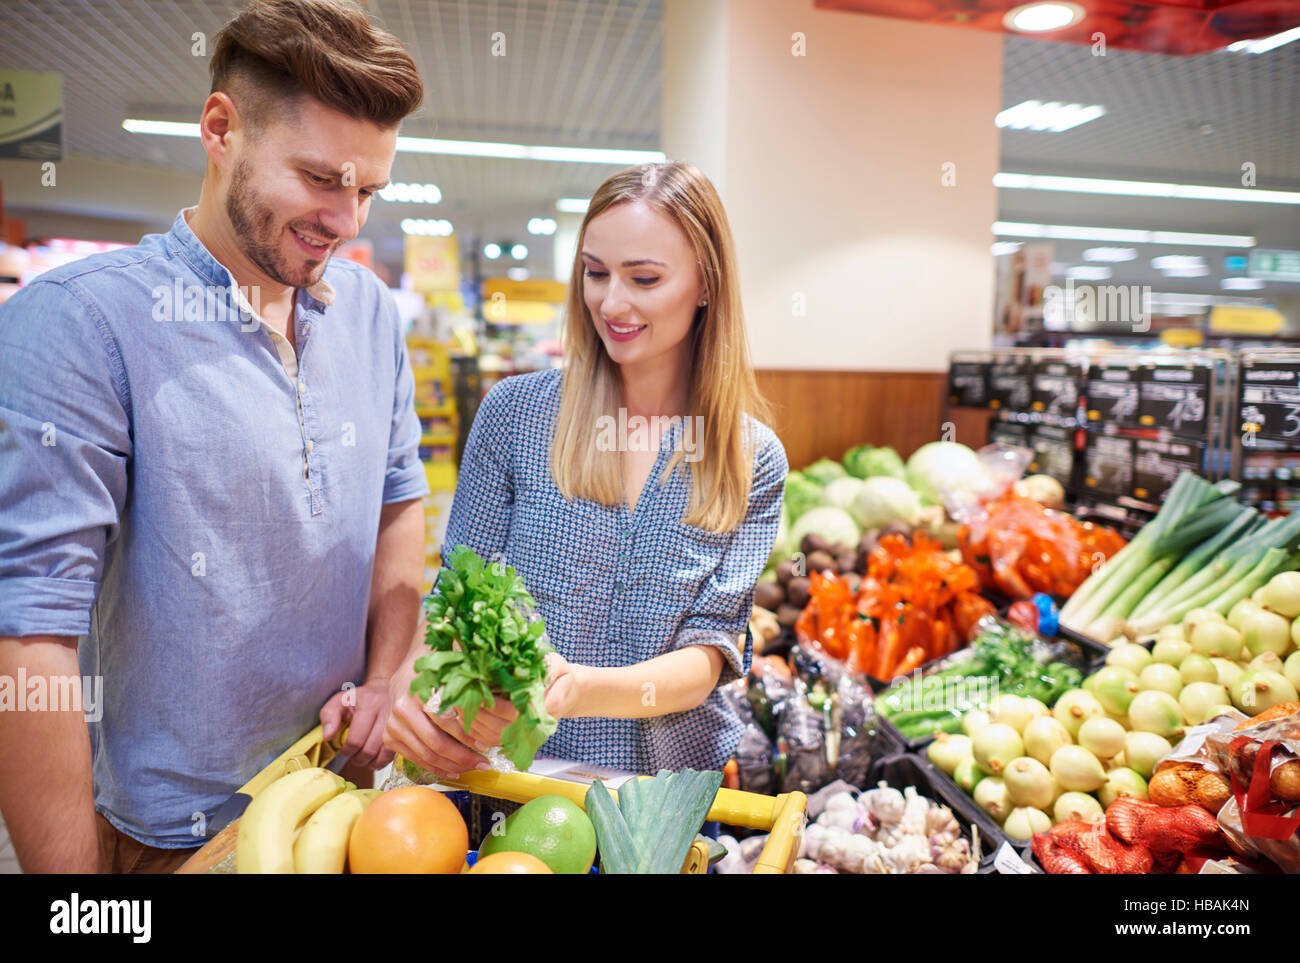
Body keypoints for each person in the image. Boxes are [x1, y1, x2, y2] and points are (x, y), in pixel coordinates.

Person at [0, 0, 468, 873]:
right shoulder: (82, 325)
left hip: (343, 799)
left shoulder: (368, 312)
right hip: (170, 840)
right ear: (222, 129)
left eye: (368, 189)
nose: (349, 219)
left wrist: (389, 674)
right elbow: (28, 635)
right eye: (323, 178)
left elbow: (400, 499)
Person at [383, 161, 788, 794]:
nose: (612, 302)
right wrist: (416, 688)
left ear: (706, 285)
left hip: (658, 795)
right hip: (505, 774)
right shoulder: (516, 415)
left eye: (645, 278)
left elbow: (711, 653)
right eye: (595, 273)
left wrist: (579, 688)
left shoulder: (747, 457)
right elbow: (455, 591)